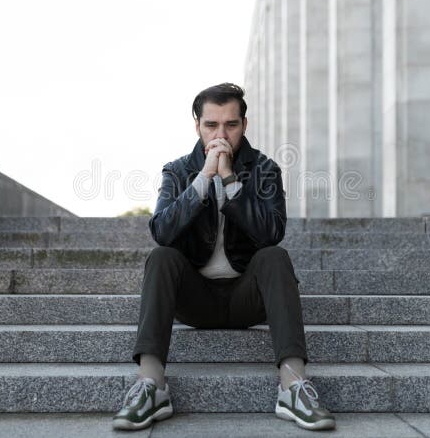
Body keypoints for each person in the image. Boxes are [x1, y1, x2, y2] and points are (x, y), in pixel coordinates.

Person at [112, 83, 335, 431]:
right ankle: (151, 385)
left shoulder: (264, 169)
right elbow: (162, 231)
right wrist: (203, 179)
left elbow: (270, 233)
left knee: (275, 256)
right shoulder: (178, 170)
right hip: (195, 299)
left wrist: (231, 180)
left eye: (230, 125)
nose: (221, 134)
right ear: (197, 126)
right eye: (211, 125)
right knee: (161, 257)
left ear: (244, 125)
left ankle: (293, 387)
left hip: (248, 298)